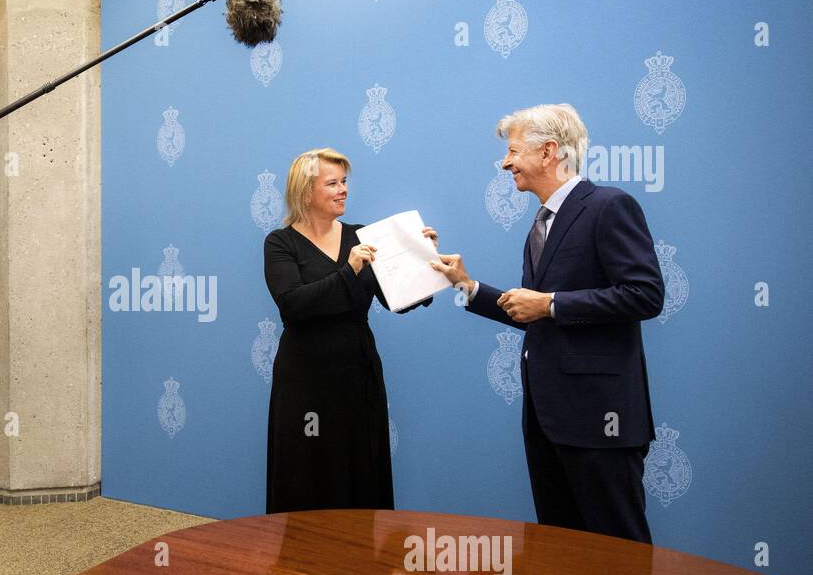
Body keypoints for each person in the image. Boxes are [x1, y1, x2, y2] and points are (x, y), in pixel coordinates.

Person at [430, 104, 664, 544]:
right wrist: (465, 285)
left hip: (600, 421)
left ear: (549, 151)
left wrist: (551, 303)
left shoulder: (609, 206)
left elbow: (645, 295)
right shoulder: (539, 225)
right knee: (560, 557)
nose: (505, 162)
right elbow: (532, 314)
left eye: (513, 151)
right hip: (547, 421)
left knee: (617, 557)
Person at [263, 148, 434, 513]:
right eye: (333, 183)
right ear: (305, 191)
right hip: (305, 381)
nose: (343, 190)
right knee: (307, 468)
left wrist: (424, 260)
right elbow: (294, 304)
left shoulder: (363, 236)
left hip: (358, 374)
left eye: (344, 182)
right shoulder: (280, 243)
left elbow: (395, 300)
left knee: (360, 467)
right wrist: (349, 270)